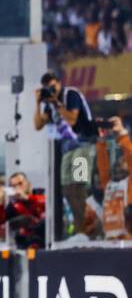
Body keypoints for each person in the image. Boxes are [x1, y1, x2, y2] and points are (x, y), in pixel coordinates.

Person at [34, 69, 98, 239]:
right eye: (48, 87)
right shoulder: (49, 103)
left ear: (59, 83)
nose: (51, 90)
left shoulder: (71, 94)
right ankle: (80, 227)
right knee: (67, 188)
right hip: (67, 149)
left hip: (83, 145)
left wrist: (57, 103)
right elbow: (38, 125)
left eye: (53, 86)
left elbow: (72, 120)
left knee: (80, 185)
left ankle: (88, 226)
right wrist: (38, 103)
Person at [0, 171, 46, 249]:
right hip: (26, 245)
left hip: (46, 242)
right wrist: (0, 203)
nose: (17, 188)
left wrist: (27, 198)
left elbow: (49, 202)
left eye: (20, 184)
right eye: (14, 186)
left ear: (29, 184)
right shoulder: (15, 205)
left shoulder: (41, 193)